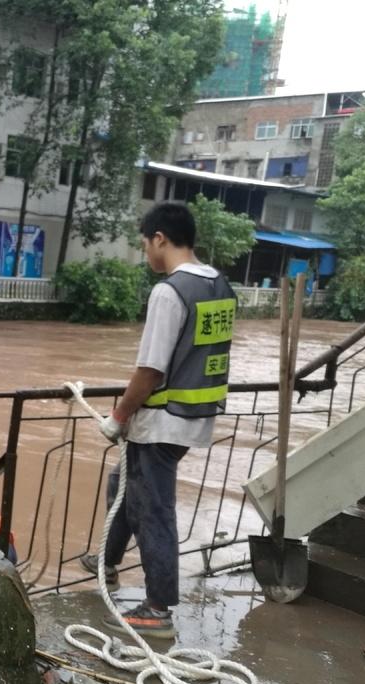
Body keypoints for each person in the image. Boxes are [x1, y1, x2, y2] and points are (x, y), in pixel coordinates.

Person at [80, 203, 236, 639]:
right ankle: (107, 563)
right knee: (123, 485)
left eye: (145, 243)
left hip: (161, 420)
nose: (146, 251)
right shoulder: (219, 285)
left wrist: (118, 416)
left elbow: (150, 371)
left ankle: (158, 609)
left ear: (160, 239)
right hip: (194, 417)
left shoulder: (170, 292)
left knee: (154, 511)